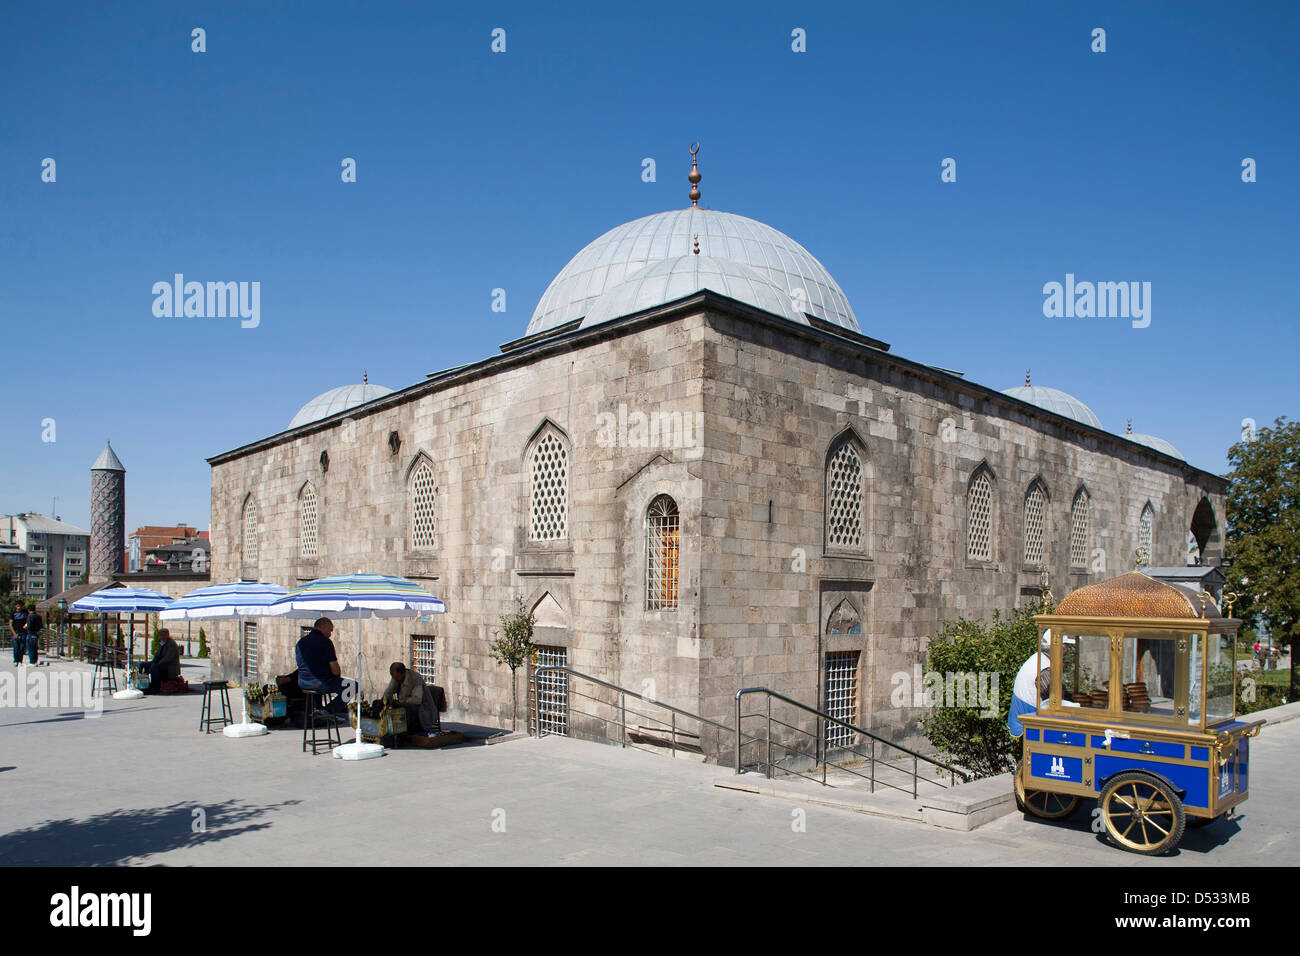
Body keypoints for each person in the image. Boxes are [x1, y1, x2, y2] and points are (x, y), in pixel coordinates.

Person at [295, 618, 348, 716]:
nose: (330, 634)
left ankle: (317, 709)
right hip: (320, 683)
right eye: (330, 630)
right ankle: (327, 711)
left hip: (303, 682)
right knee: (352, 686)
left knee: (318, 681)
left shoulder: (301, 642)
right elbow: (335, 670)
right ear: (323, 627)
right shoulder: (325, 642)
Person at [383, 662, 440, 735]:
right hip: (405, 703)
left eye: (397, 677)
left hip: (422, 709)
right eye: (394, 678)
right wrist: (383, 700)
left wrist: (401, 702)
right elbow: (389, 691)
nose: (395, 680)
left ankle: (404, 732)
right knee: (382, 705)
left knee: (405, 709)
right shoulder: (397, 678)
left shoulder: (415, 678)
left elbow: (417, 700)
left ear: (403, 673)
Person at [138, 628, 180, 693]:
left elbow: (168, 658)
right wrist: (152, 662)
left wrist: (157, 664)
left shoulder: (171, 644)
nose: (161, 637)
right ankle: (144, 685)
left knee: (154, 667)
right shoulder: (162, 643)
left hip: (170, 667)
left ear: (167, 635)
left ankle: (155, 688)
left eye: (162, 635)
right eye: (160, 635)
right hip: (162, 664)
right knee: (143, 664)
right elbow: (157, 655)